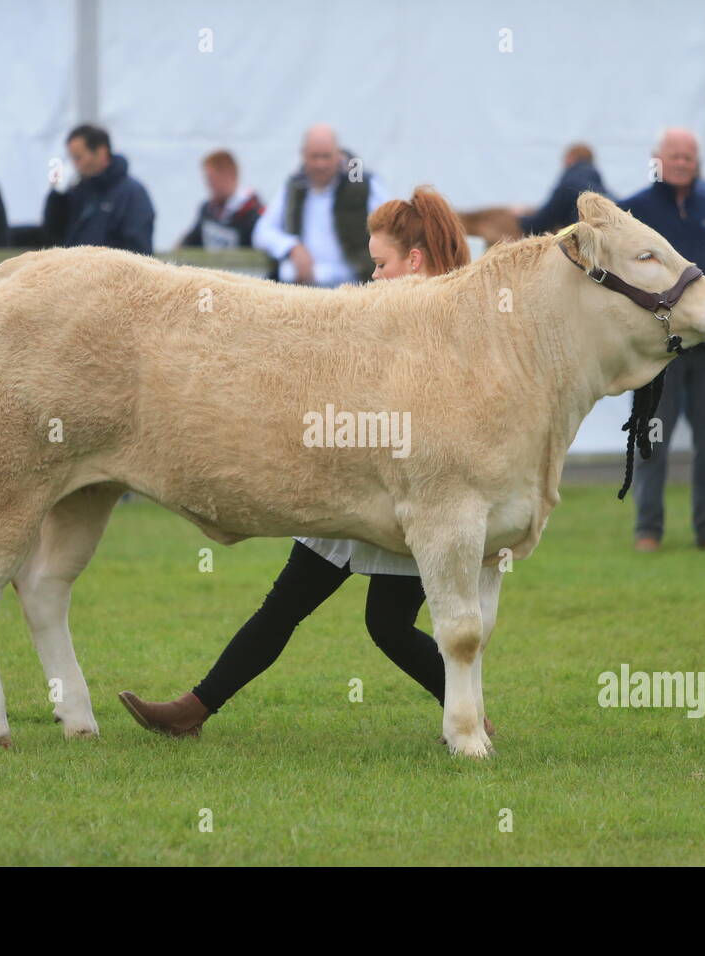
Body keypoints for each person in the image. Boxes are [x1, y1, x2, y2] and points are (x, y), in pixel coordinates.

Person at [118, 186, 480, 739]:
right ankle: (191, 710)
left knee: (384, 626)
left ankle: (471, 716)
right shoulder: (386, 315)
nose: (375, 276)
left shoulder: (442, 327)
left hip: (406, 503)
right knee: (287, 607)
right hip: (346, 493)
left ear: (414, 260)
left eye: (381, 264)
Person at [620, 127, 705, 553]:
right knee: (652, 440)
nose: (682, 163)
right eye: (674, 156)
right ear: (657, 159)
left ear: (698, 163)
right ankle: (648, 531)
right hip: (658, 353)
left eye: (689, 157)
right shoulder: (634, 214)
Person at [252, 124, 388, 286]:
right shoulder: (294, 187)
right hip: (304, 290)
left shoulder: (364, 184)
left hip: (355, 288)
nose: (320, 164)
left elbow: (392, 229)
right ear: (303, 156)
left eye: (326, 156)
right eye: (314, 157)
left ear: (338, 155)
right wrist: (292, 247)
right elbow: (262, 232)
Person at [43, 124, 155, 254]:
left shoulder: (133, 193)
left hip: (111, 273)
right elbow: (54, 235)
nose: (74, 164)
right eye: (72, 158)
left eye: (78, 157)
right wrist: (57, 195)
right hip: (74, 271)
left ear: (101, 152)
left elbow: (138, 249)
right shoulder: (77, 191)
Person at [516, 142, 611, 235]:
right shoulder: (599, 186)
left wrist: (517, 218)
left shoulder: (569, 184)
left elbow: (541, 223)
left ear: (571, 158)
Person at [179, 149, 263, 249]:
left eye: (212, 179)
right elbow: (187, 244)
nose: (209, 185)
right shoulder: (207, 210)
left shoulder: (254, 216)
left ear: (230, 175)